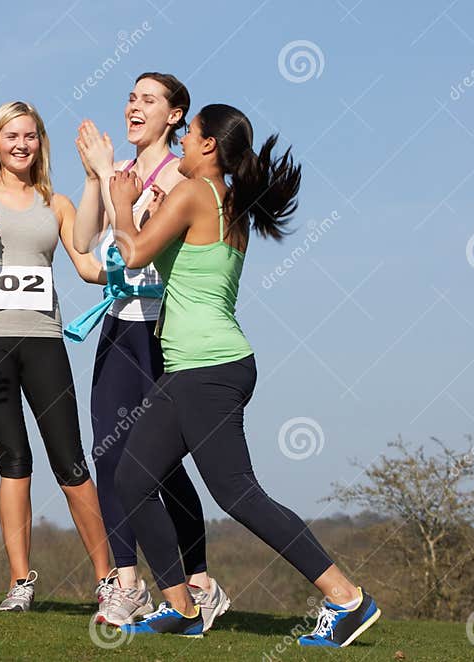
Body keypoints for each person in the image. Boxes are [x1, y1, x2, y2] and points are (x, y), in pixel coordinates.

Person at [100, 103, 380, 646]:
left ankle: (347, 598)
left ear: (208, 145)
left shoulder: (192, 193)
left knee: (238, 494)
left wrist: (123, 204)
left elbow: (131, 255)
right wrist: (147, 212)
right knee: (133, 479)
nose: (181, 142)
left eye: (188, 135)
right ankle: (182, 608)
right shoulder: (227, 200)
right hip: (197, 368)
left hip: (207, 368)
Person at [0, 101, 110, 612]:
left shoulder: (58, 203)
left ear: (40, 143)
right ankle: (20, 584)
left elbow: (86, 266)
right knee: (14, 458)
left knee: (71, 459)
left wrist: (130, 273)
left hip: (44, 340)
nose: (21, 144)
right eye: (11, 135)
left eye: (29, 136)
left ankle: (110, 580)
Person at [68, 72, 229, 630]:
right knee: (110, 456)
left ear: (175, 115)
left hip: (161, 329)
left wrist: (120, 193)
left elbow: (139, 246)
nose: (134, 106)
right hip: (118, 325)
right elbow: (84, 243)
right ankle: (127, 584)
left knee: (160, 464)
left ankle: (199, 581)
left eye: (149, 99)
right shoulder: (117, 171)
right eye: (131, 97)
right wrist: (95, 178)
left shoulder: (181, 174)